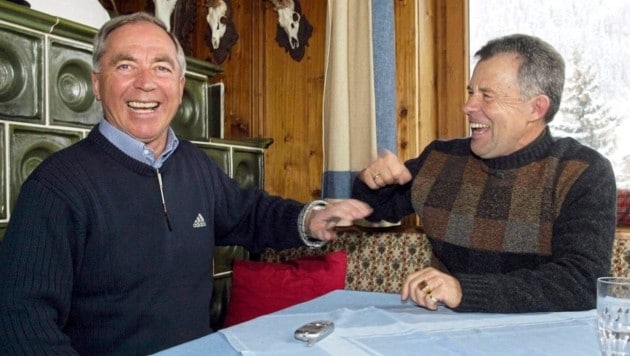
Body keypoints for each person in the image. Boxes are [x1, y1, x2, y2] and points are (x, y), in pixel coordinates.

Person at [0, 12, 372, 355]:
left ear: (179, 86)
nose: (145, 84)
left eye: (161, 68)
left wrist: (309, 219)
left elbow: (250, 214)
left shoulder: (194, 164)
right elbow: (20, 321)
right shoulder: (56, 186)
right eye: (126, 65)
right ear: (97, 84)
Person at [352, 34, 617, 313]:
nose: (468, 106)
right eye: (470, 92)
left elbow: (580, 284)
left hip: (542, 338)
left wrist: (463, 290)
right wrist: (374, 181)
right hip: (443, 334)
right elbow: (372, 210)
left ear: (536, 108)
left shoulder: (583, 172)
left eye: (486, 96)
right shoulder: (441, 158)